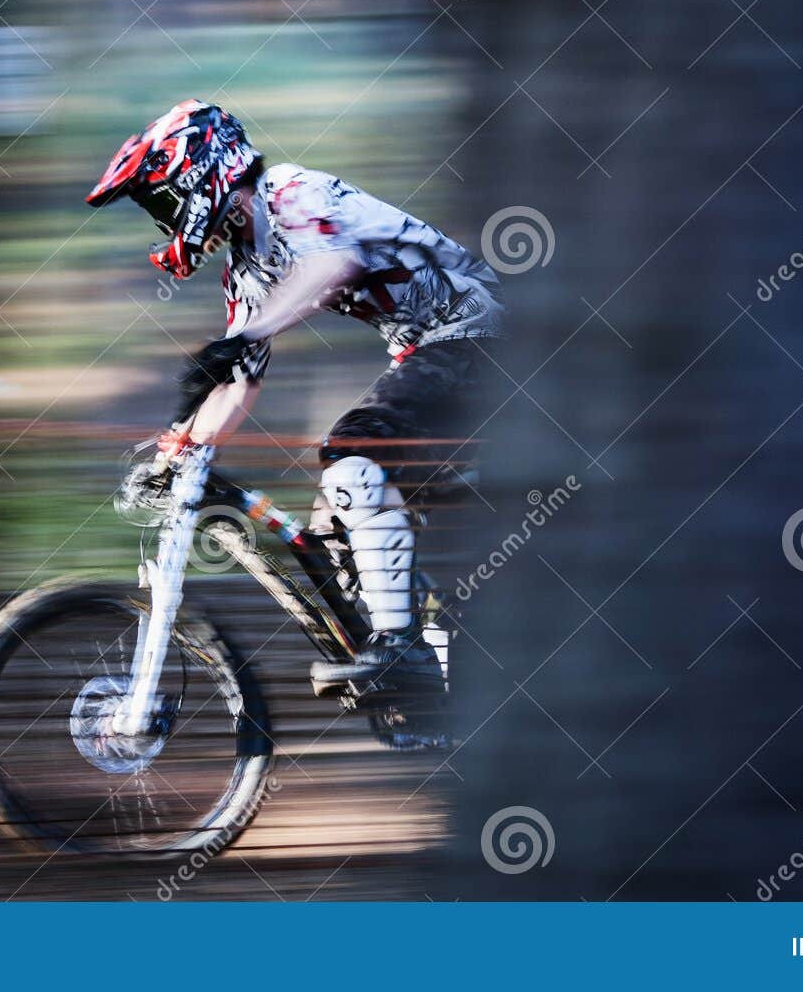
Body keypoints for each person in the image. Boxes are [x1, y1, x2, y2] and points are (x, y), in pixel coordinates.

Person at [87, 99, 503, 694]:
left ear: (202, 173)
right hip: (429, 354)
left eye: (162, 200)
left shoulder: (291, 192)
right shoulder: (245, 272)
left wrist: (247, 335)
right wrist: (177, 452)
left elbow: (332, 266)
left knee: (352, 454)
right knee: (334, 530)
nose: (164, 217)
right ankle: (438, 673)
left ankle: (403, 651)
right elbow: (238, 383)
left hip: (478, 335)